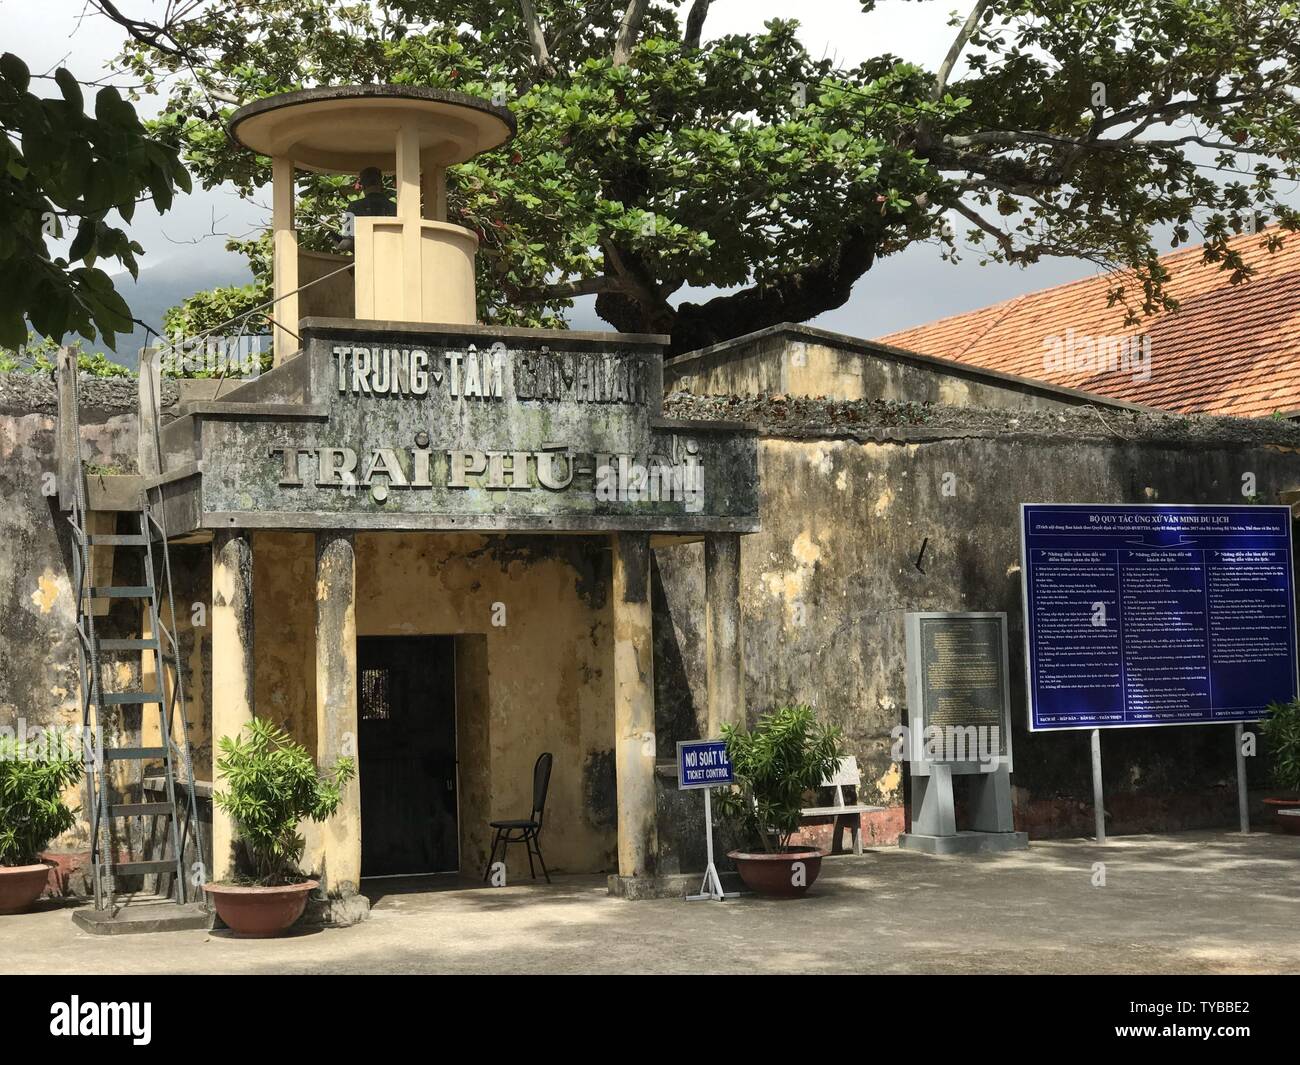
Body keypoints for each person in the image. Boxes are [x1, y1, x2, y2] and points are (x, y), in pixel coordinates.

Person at [335, 166, 396, 252]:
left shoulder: (353, 207)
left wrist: (339, 247)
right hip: (391, 256)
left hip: (365, 259)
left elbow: (347, 243)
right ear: (381, 184)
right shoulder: (395, 207)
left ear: (362, 185)